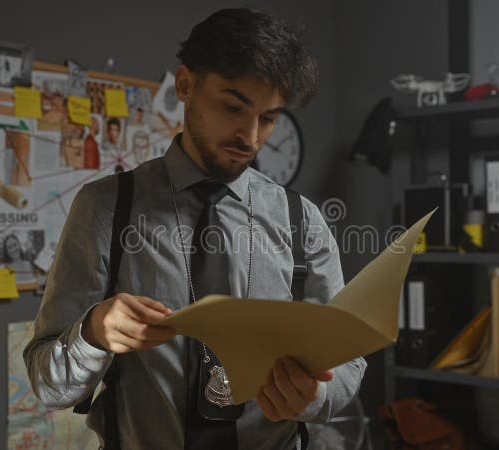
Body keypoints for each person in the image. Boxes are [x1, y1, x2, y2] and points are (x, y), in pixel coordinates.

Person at [24, 8, 366, 450]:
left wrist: (316, 396)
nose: (251, 136)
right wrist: (91, 334)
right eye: (232, 106)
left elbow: (348, 362)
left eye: (269, 118)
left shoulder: (304, 221)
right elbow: (47, 384)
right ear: (185, 85)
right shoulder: (104, 208)